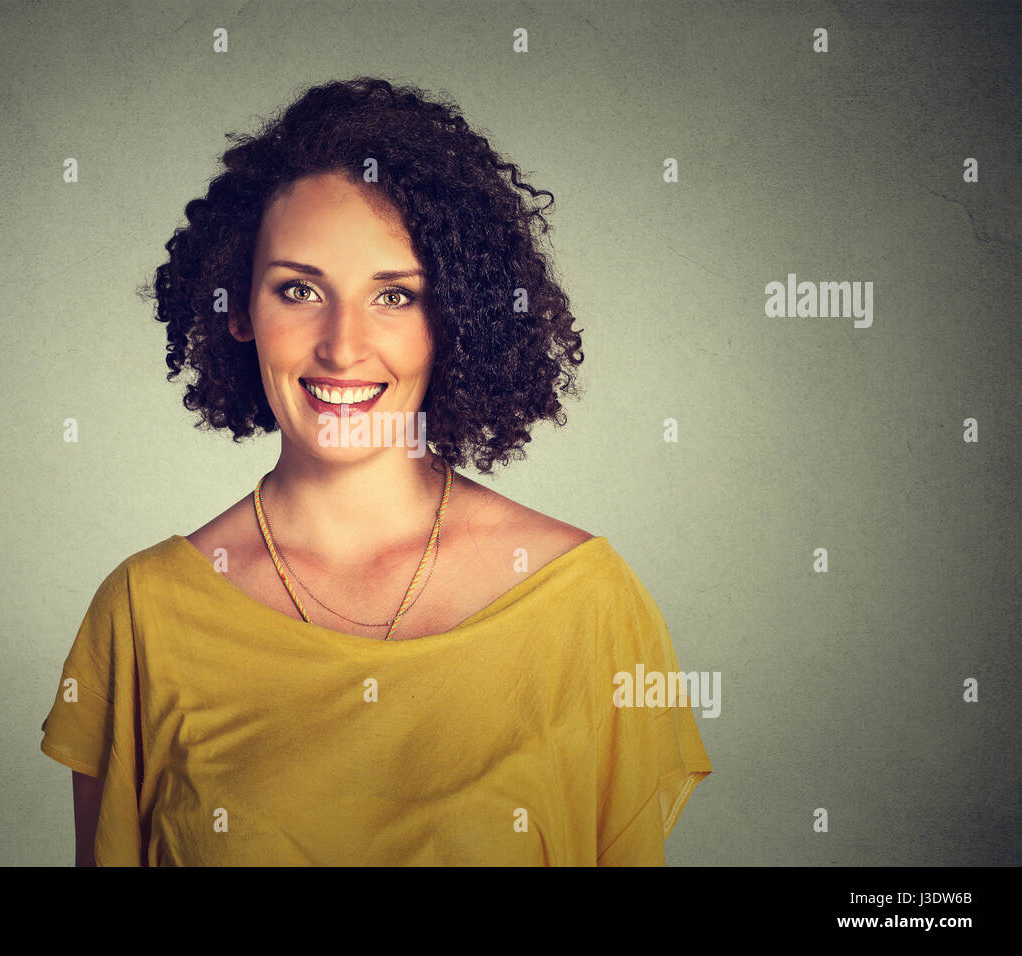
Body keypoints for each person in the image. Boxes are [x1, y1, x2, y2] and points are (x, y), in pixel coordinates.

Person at [40, 76, 711, 866]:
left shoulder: (589, 607)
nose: (343, 346)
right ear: (239, 310)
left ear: (455, 316)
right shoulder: (142, 615)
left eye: (394, 296)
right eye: (298, 290)